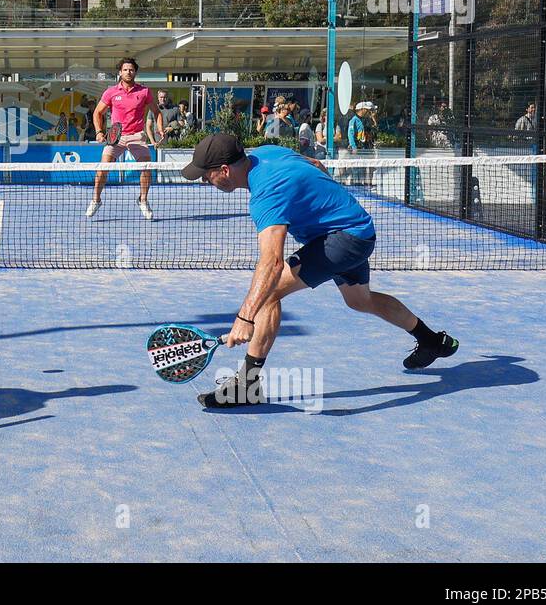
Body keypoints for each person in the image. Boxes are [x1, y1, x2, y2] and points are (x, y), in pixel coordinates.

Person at [181, 134, 458, 408]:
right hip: (355, 228)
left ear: (225, 171)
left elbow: (271, 264)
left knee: (268, 294)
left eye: (206, 175)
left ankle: (247, 385)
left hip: (344, 238)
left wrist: (245, 317)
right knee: (360, 300)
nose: (205, 180)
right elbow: (314, 164)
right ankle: (431, 340)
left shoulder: (266, 193)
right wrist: (325, 201)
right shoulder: (266, 153)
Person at [87, 56, 156, 220]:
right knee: (102, 168)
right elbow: (97, 113)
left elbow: (156, 111)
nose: (128, 72)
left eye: (131, 70)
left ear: (135, 72)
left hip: (137, 135)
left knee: (146, 167)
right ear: (120, 72)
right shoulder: (111, 92)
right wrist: (98, 131)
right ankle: (96, 200)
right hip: (116, 136)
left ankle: (143, 200)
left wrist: (159, 128)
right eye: (125, 69)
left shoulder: (144, 91)